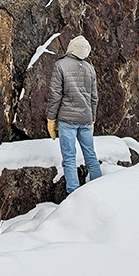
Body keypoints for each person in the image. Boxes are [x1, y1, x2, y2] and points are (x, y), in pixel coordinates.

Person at [46, 35, 102, 193]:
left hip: (67, 120)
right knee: (90, 155)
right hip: (86, 119)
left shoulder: (60, 65)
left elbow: (55, 96)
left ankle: (73, 194)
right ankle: (101, 189)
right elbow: (94, 97)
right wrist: (92, 119)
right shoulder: (89, 68)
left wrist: (51, 119)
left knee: (69, 158)